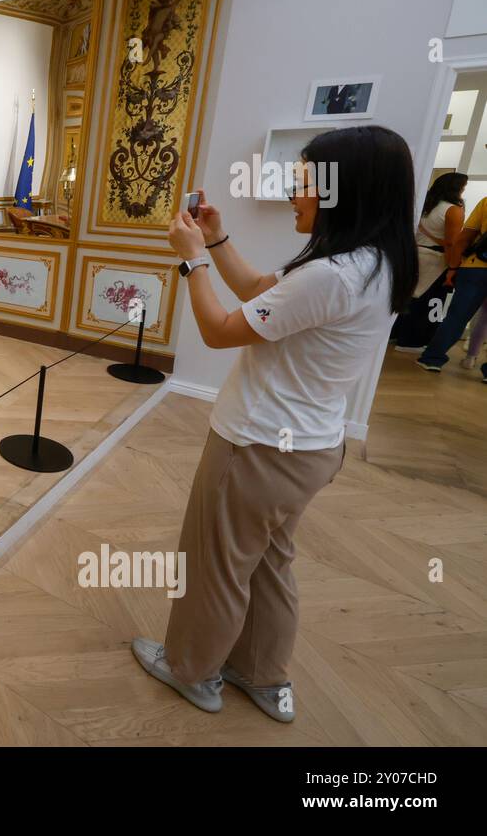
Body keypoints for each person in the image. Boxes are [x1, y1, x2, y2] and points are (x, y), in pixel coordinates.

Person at [133, 126, 417, 722]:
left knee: (216, 565)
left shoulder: (330, 275)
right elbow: (262, 292)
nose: (294, 191)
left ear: (347, 192)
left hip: (256, 447)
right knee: (267, 562)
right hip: (311, 450)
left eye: (306, 182)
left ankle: (191, 670)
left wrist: (189, 263)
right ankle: (262, 674)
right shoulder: (374, 265)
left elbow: (217, 329)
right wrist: (217, 240)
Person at [417, 193, 487, 379]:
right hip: (476, 270)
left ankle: (432, 359)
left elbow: (464, 238)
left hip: (476, 267)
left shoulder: (486, 202)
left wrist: (453, 267)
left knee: (457, 317)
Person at [392, 173, 464, 350]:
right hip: (436, 259)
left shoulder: (425, 205)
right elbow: (451, 242)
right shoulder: (453, 210)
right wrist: (453, 267)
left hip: (415, 254)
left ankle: (396, 335)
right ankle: (413, 341)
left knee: (408, 297)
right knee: (430, 302)